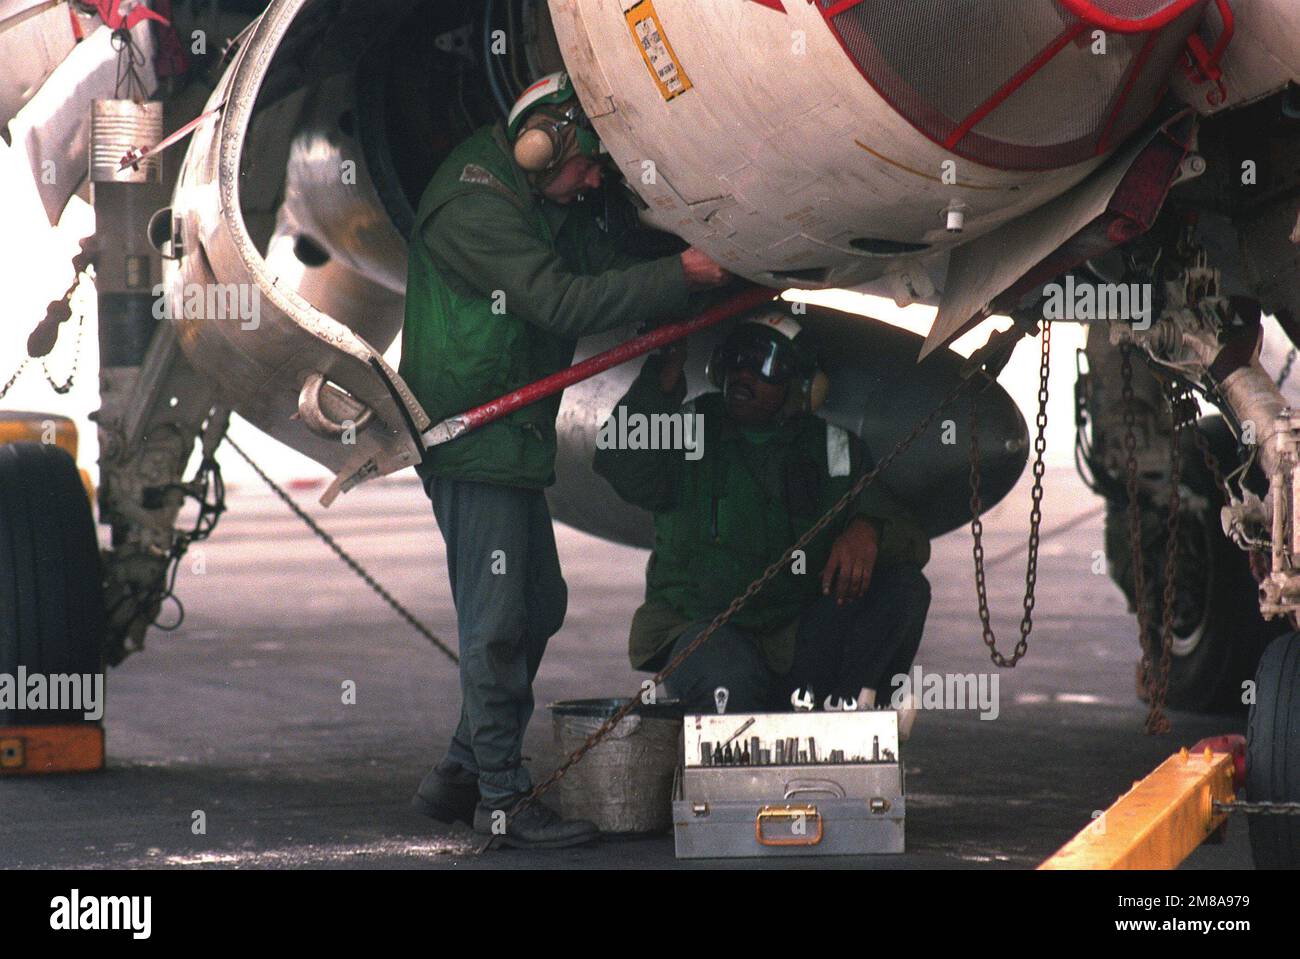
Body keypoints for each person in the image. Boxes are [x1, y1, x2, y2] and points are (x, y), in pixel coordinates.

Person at [400, 71, 730, 848]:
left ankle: (458, 771)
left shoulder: (535, 192)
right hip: (471, 433)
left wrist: (681, 259)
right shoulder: (478, 205)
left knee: (536, 604)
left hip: (511, 435)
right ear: (543, 145)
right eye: (587, 166)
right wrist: (680, 275)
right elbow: (560, 300)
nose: (591, 181)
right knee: (497, 624)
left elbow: (598, 255)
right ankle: (502, 799)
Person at [593, 310, 932, 713]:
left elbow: (907, 533)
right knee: (729, 686)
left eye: (764, 366)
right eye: (735, 361)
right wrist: (663, 373)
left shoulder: (832, 451)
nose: (743, 375)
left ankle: (852, 715)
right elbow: (618, 460)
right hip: (706, 628)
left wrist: (869, 529)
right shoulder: (692, 428)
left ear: (801, 385)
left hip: (796, 634)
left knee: (904, 589)